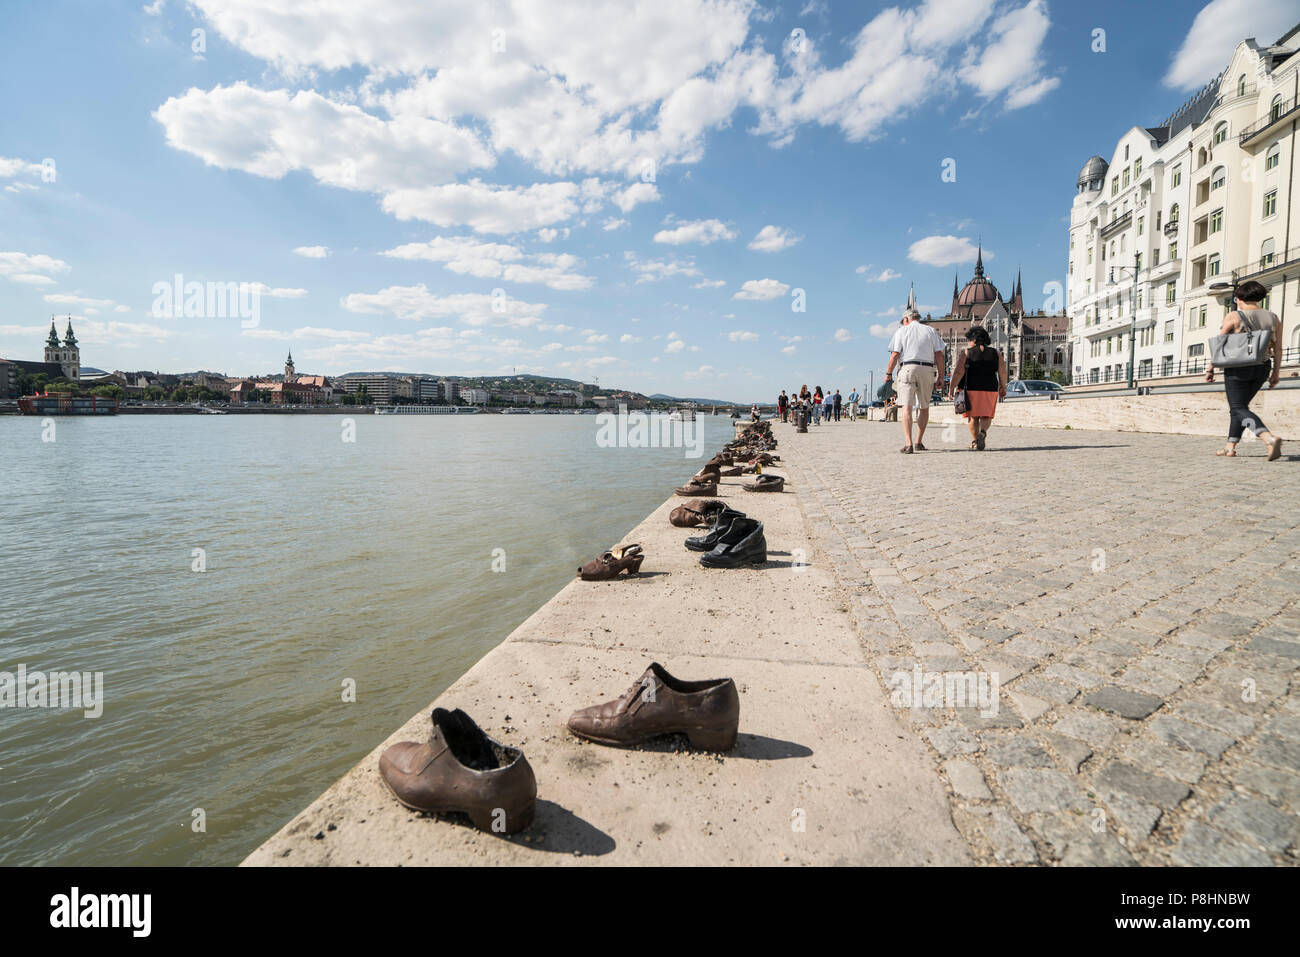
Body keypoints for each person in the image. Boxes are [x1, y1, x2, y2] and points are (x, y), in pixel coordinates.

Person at [1205, 279, 1283, 460]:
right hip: (1262, 368)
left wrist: (1210, 368)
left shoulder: (1234, 316)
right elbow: (1278, 348)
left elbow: (1220, 345)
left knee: (1238, 407)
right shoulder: (1273, 317)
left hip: (1238, 368)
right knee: (1239, 408)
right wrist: (1276, 373)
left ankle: (1268, 438)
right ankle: (1229, 446)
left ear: (1239, 297)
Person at [884, 308, 946, 453]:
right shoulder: (930, 331)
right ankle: (919, 441)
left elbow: (894, 355)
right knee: (924, 407)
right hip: (927, 369)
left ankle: (908, 443)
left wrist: (888, 373)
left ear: (906, 319)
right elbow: (939, 355)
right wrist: (941, 376)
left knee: (907, 407)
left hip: (908, 368)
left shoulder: (901, 331)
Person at [949, 325, 1007, 451]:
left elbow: (958, 372)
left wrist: (951, 388)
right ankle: (983, 432)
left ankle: (975, 441)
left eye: (969, 339)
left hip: (971, 388)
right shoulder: (995, 353)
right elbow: (1002, 371)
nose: (969, 342)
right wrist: (1003, 386)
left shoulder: (967, 353)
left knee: (973, 417)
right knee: (986, 415)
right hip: (990, 388)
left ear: (974, 339)